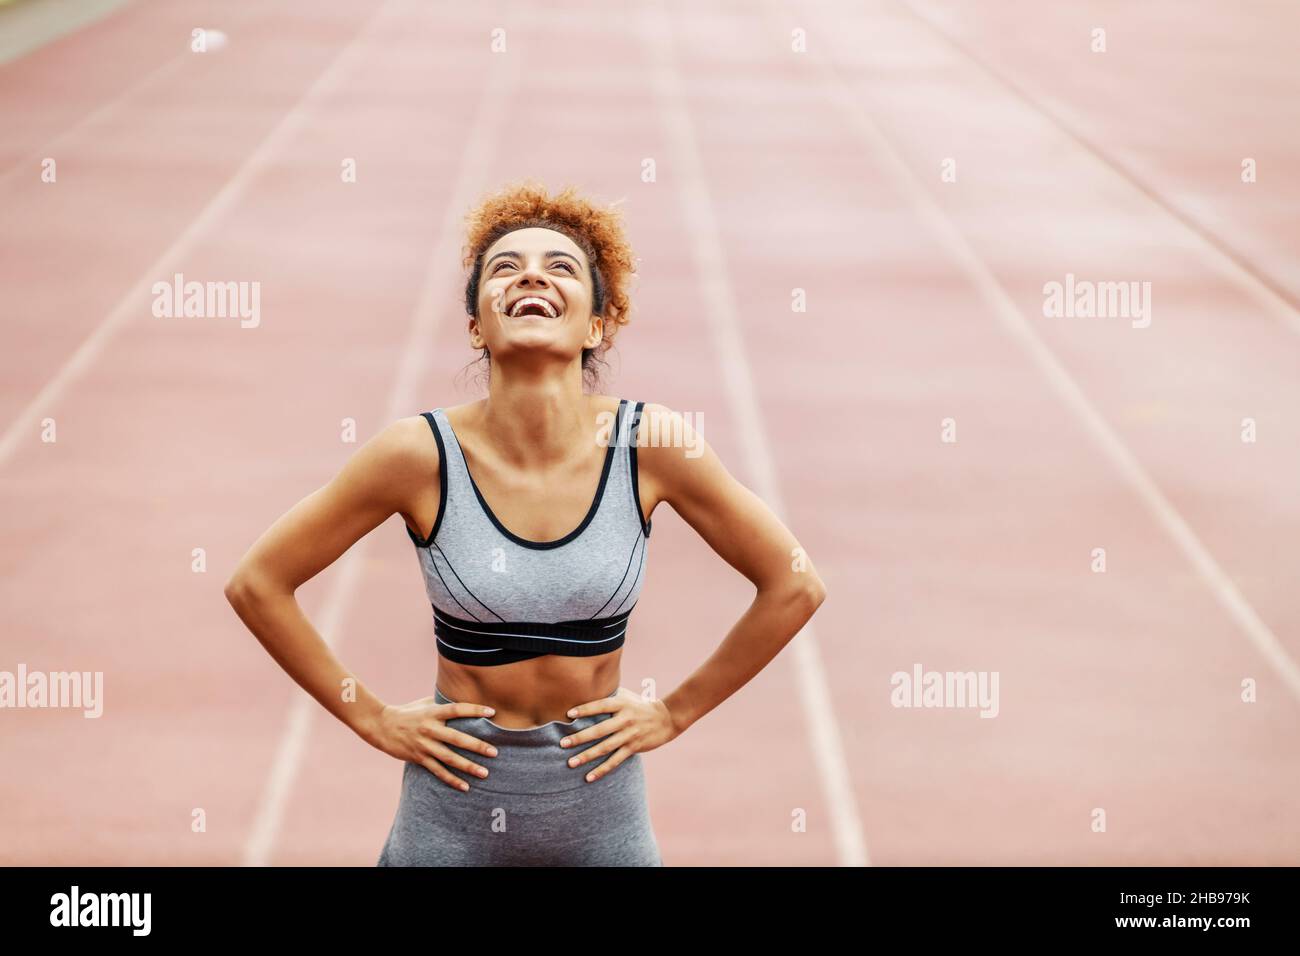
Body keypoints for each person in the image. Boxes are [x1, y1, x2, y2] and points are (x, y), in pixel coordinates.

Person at [224, 180, 828, 866]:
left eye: (561, 266)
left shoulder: (650, 444)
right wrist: (373, 718)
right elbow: (258, 582)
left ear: (597, 324)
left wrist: (673, 712)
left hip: (600, 817)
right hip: (450, 817)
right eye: (505, 268)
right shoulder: (416, 456)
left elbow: (795, 583)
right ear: (478, 325)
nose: (532, 274)